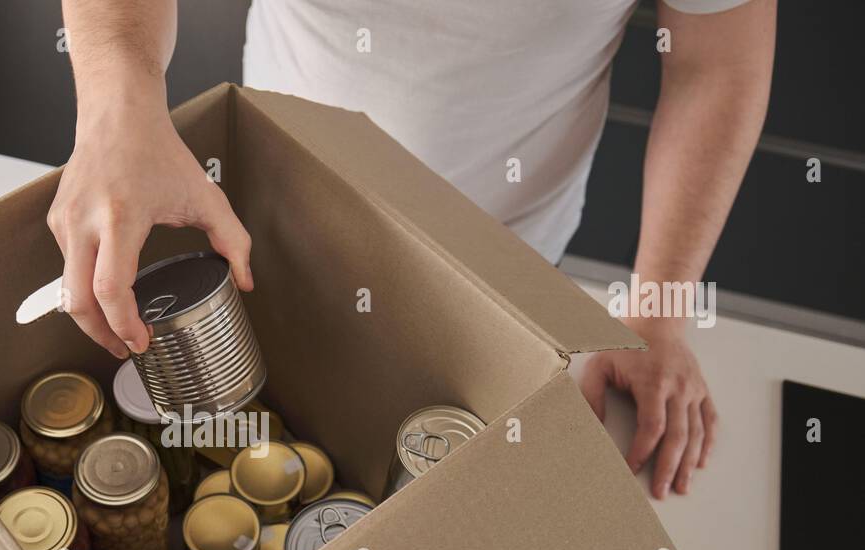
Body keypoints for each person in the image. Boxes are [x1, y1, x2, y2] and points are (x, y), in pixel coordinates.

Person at [47, 0, 776, 498]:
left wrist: (659, 310)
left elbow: (717, 64)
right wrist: (119, 105)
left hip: (510, 262)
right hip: (275, 224)